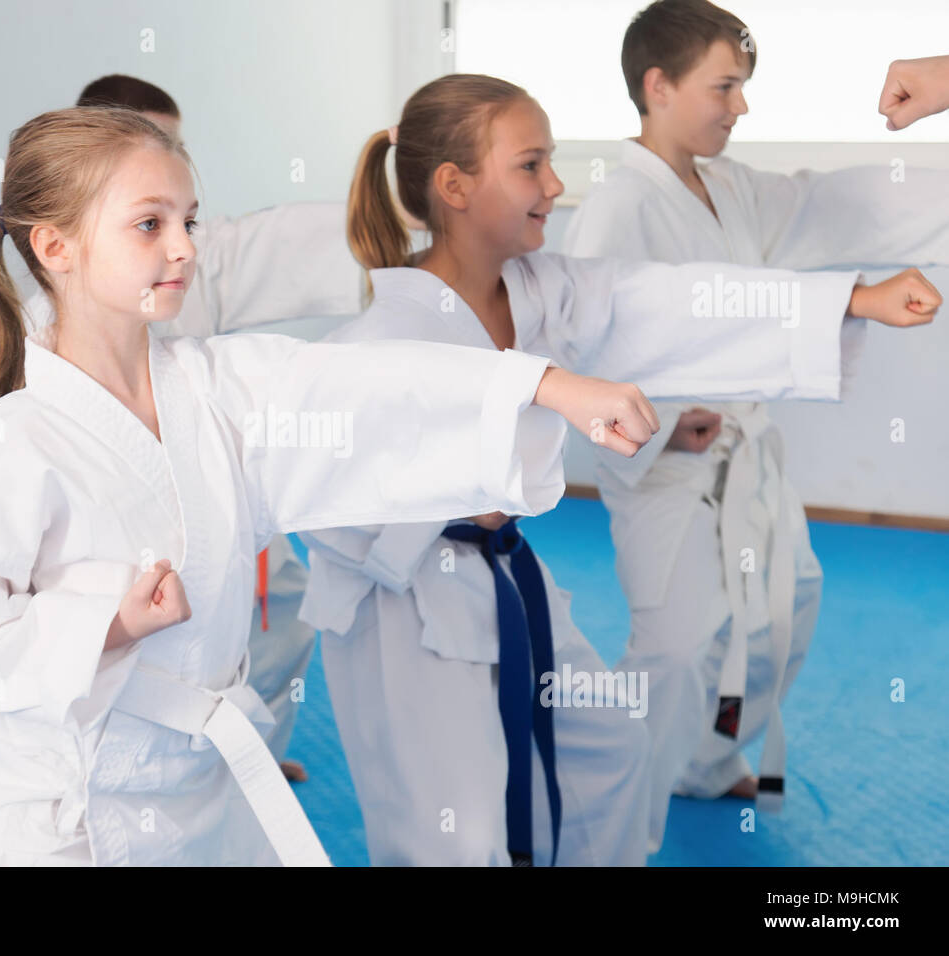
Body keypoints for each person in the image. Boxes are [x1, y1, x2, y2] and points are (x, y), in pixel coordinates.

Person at [0, 105, 661, 866]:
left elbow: (366, 385)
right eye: (149, 225)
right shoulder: (19, 437)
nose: (183, 247)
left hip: (199, 794)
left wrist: (543, 386)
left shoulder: (217, 388)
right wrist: (110, 623)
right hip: (63, 817)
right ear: (54, 246)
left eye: (188, 222)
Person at [298, 73, 938, 866]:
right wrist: (441, 510)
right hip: (402, 607)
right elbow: (319, 502)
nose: (554, 185)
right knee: (452, 832)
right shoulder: (374, 343)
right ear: (454, 187)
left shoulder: (542, 292)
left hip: (505, 576)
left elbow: (674, 302)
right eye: (530, 165)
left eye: (550, 161)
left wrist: (852, 300)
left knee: (611, 751)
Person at [563, 0, 946, 851]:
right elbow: (586, 350)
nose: (741, 106)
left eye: (743, 86)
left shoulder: (731, 186)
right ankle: (603, 820)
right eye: (725, 86)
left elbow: (840, 207)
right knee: (674, 649)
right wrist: (666, 421)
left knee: (787, 605)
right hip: (662, 469)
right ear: (658, 86)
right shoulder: (616, 207)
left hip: (744, 454)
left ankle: (706, 760)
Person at [23, 74, 356, 781]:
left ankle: (251, 758)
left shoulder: (195, 253)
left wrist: (399, 204)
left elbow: (286, 242)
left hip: (215, 494)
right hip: (116, 534)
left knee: (285, 610)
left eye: (173, 145)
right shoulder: (40, 331)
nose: (166, 161)